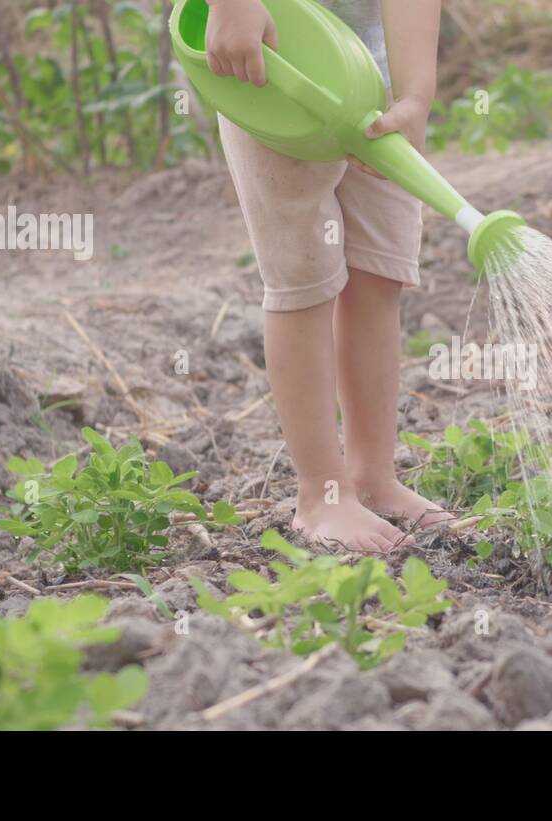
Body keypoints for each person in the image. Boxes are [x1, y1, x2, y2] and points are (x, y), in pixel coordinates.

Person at [204, 0, 450, 552]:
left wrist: (414, 96)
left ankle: (374, 478)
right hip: (272, 76)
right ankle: (321, 492)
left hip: (375, 90)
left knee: (378, 274)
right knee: (304, 278)